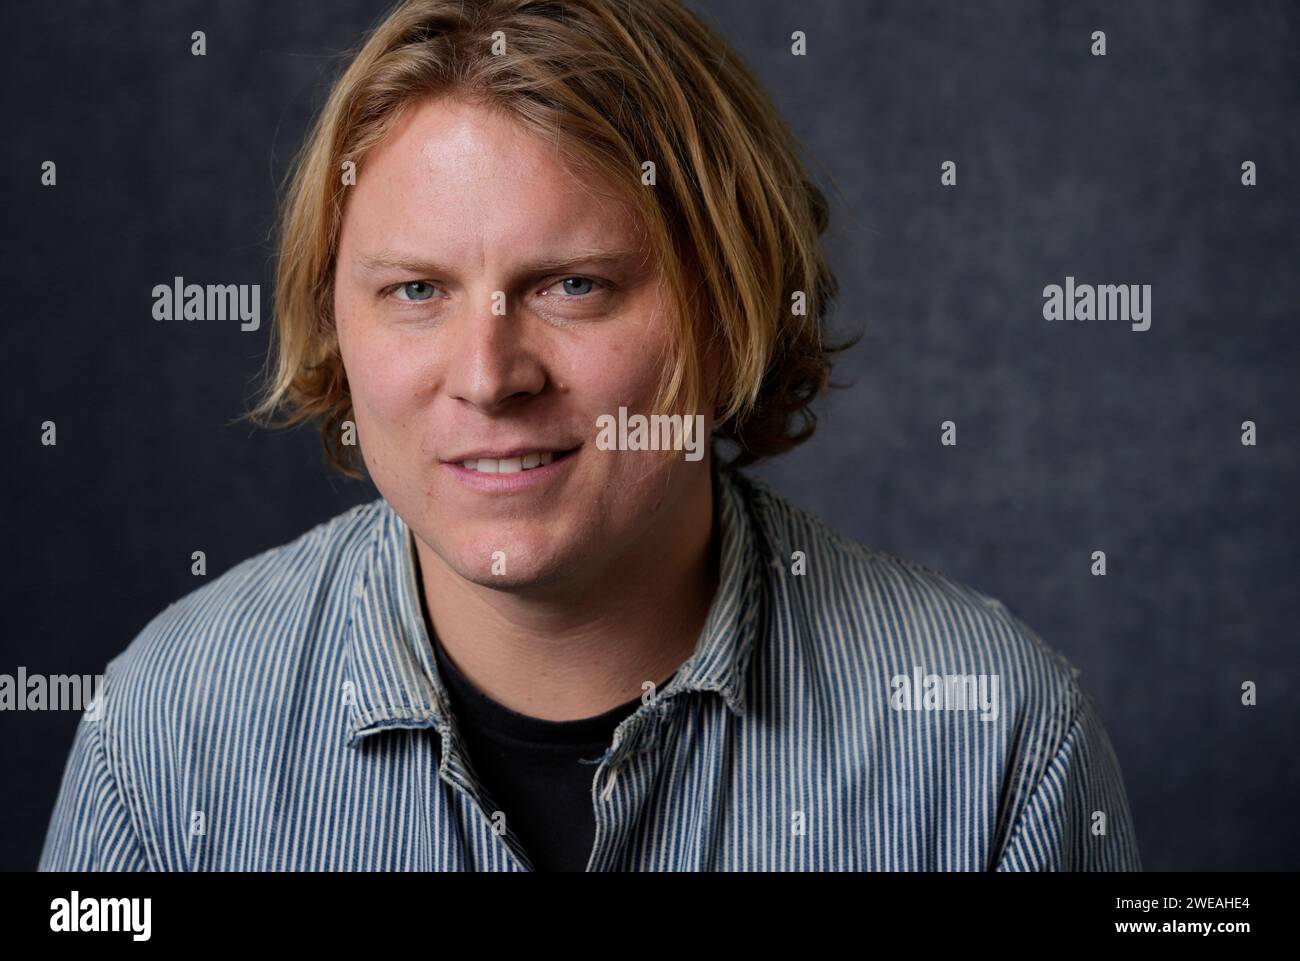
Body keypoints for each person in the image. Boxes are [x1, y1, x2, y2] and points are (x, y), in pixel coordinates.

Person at [39, 0, 1140, 871]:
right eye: (416, 289)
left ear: (729, 308)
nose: (486, 376)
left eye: (574, 284)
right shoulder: (166, 729)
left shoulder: (993, 743)